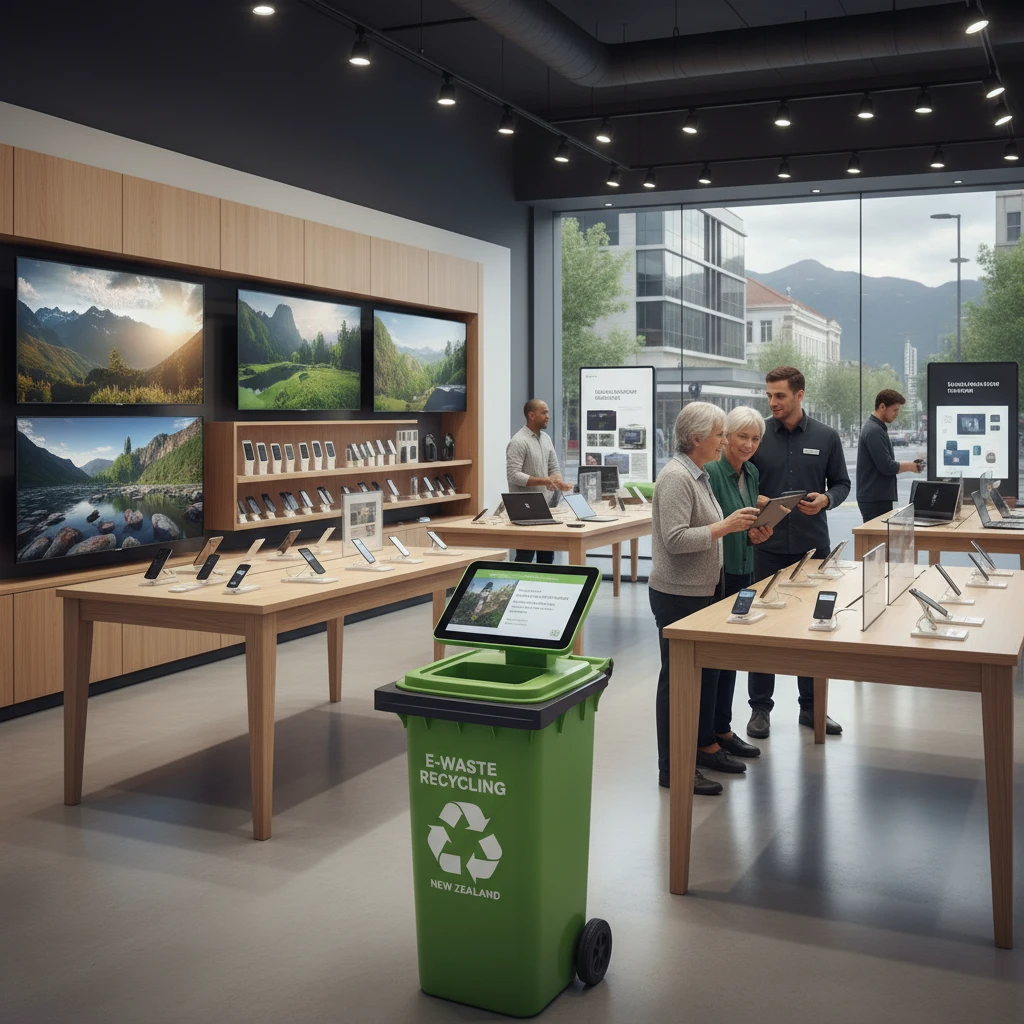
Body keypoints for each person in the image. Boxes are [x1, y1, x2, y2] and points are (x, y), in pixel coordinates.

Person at [649, 402, 771, 796]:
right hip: (677, 594)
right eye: (720, 434)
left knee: (697, 680)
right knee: (677, 683)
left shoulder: (695, 475)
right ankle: (672, 769)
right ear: (697, 438)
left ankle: (699, 749)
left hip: (702, 590)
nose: (724, 441)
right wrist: (726, 526)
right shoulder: (676, 478)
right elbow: (675, 539)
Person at [747, 366, 851, 740]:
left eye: (780, 396)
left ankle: (812, 708)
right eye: (769, 395)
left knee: (815, 629)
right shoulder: (757, 436)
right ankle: (760, 709)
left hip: (813, 550)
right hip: (766, 547)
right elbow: (741, 479)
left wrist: (827, 499)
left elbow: (842, 483)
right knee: (760, 629)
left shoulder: (826, 436)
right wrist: (755, 500)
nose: (772, 402)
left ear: (800, 395)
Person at [706, 405, 771, 758]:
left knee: (731, 653)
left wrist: (758, 533)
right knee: (715, 658)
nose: (748, 444)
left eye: (755, 438)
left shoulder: (753, 473)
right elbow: (712, 525)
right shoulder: (711, 473)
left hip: (745, 569)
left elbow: (745, 526)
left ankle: (723, 728)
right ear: (726, 437)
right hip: (718, 573)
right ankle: (709, 735)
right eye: (741, 437)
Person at [505, 398, 572, 563]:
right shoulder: (518, 441)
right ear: (531, 415)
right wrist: (544, 480)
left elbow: (554, 468)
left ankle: (543, 588)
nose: (548, 416)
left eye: (547, 412)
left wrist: (557, 481)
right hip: (524, 508)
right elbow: (513, 475)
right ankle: (519, 587)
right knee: (525, 555)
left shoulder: (546, 439)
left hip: (546, 506)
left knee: (547, 554)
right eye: (544, 413)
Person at [856, 389, 924, 523]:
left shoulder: (876, 428)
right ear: (882, 407)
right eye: (895, 410)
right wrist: (910, 466)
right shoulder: (874, 431)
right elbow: (886, 466)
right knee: (877, 540)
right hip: (875, 499)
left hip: (876, 497)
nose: (897, 414)